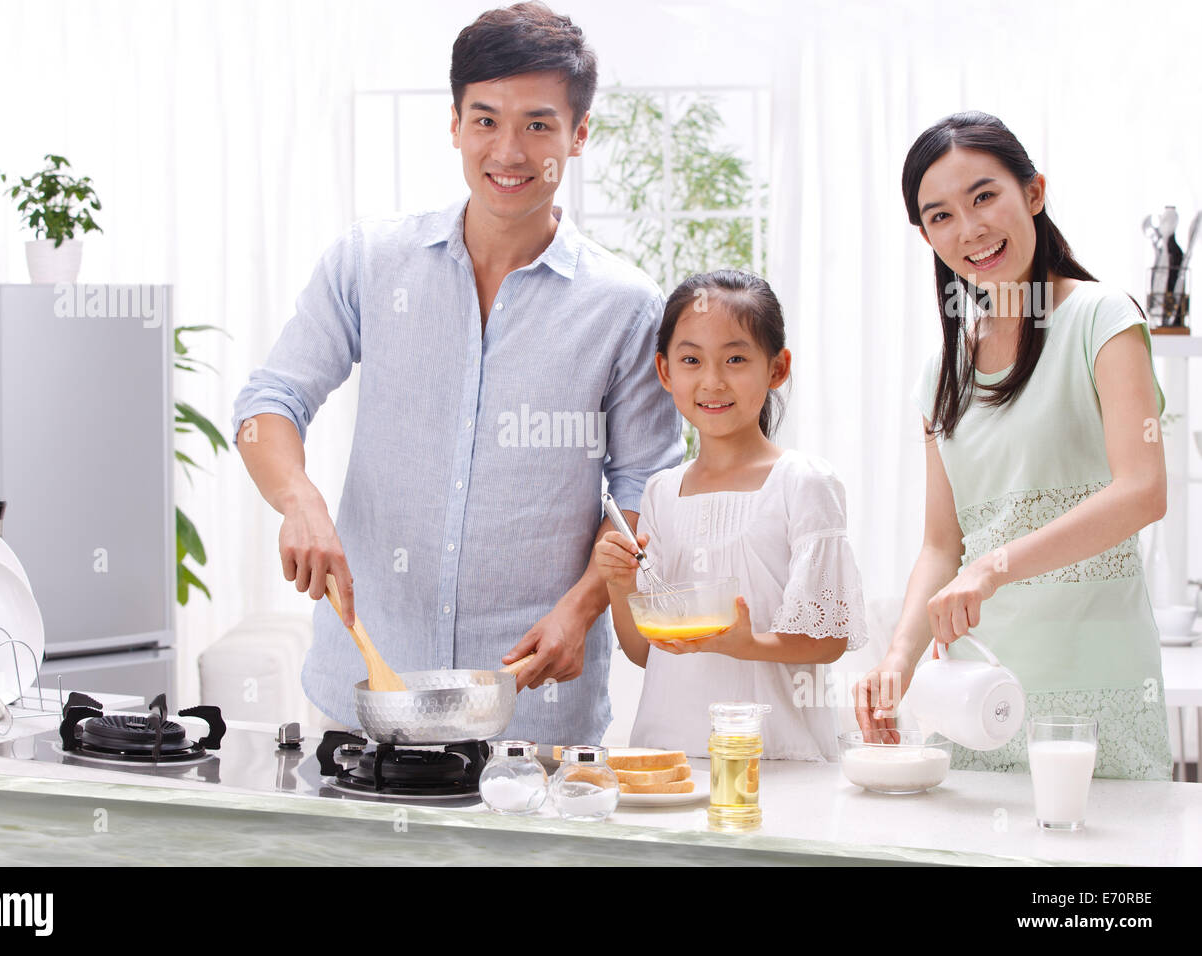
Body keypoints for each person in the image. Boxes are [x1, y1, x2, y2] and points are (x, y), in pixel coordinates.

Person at [231, 2, 683, 745]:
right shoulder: (371, 264)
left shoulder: (625, 307)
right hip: (365, 697)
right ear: (454, 125)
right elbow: (268, 401)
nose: (508, 150)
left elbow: (646, 493)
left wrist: (584, 607)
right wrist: (298, 499)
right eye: (485, 120)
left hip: (533, 707)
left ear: (579, 133)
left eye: (539, 124)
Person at [853, 111, 1172, 779]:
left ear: (1034, 192)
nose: (969, 230)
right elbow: (943, 545)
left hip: (1097, 689)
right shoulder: (941, 374)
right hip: (977, 696)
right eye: (939, 216)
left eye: (984, 196)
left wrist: (993, 568)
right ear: (925, 235)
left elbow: (1142, 490)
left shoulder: (1103, 318)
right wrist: (899, 660)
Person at [594, 270, 868, 759]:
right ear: (664, 372)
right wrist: (619, 584)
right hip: (668, 761)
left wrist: (746, 643)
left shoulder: (804, 483)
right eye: (691, 360)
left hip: (776, 761)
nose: (712, 381)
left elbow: (827, 641)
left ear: (778, 368)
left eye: (736, 359)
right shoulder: (660, 492)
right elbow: (645, 652)